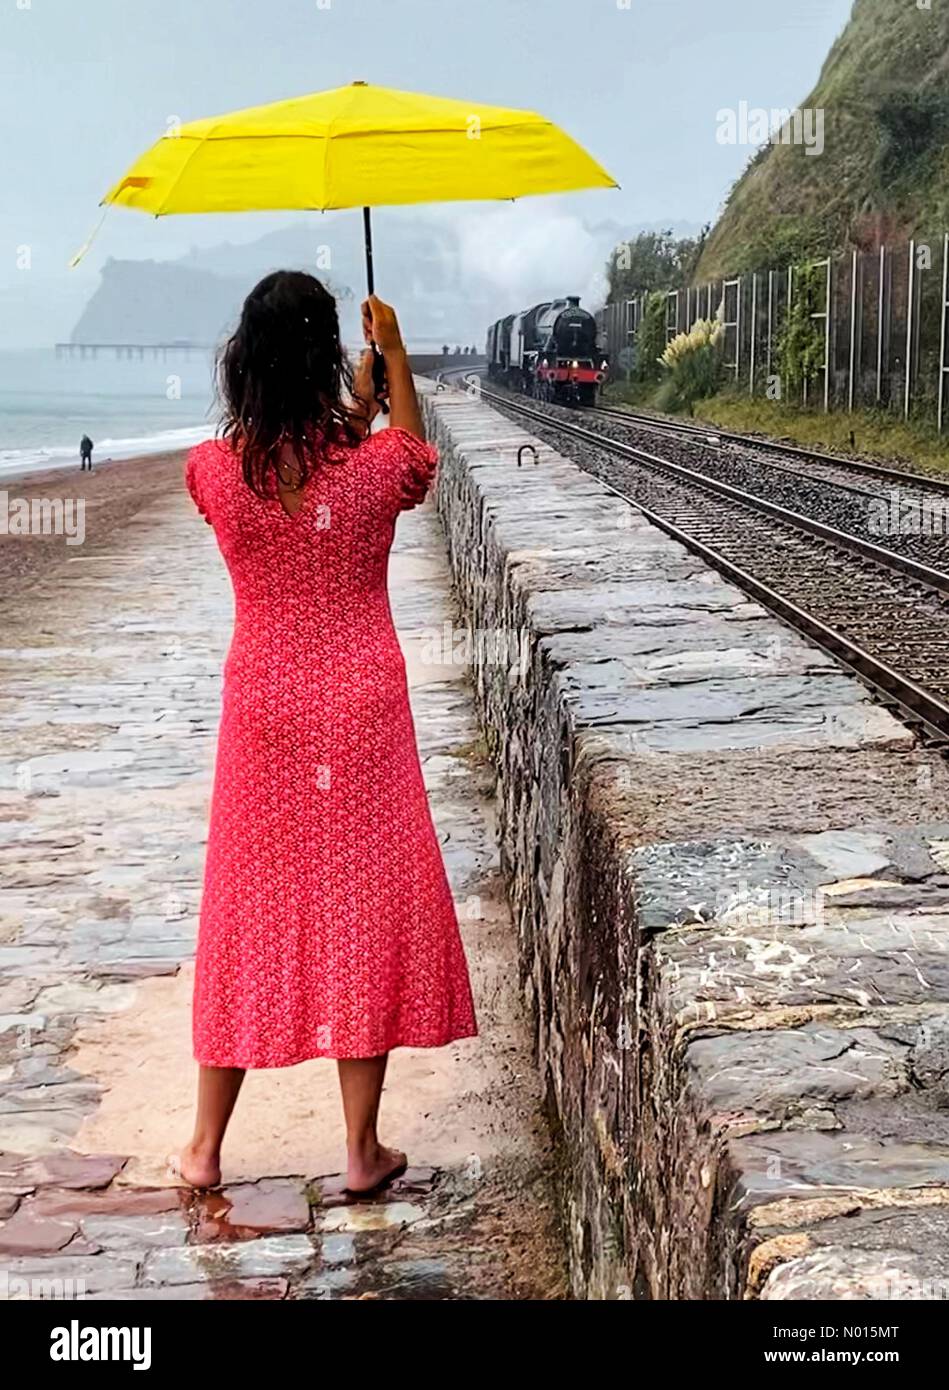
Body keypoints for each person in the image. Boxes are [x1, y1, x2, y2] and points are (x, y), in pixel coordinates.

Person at [175, 271, 477, 1195]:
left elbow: (287, 472)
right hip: (361, 705)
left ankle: (202, 1151)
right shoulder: (373, 467)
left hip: (261, 711)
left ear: (243, 361)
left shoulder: (213, 471)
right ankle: (359, 1150)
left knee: (244, 911)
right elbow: (410, 462)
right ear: (323, 358)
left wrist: (346, 403)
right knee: (361, 908)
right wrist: (389, 360)